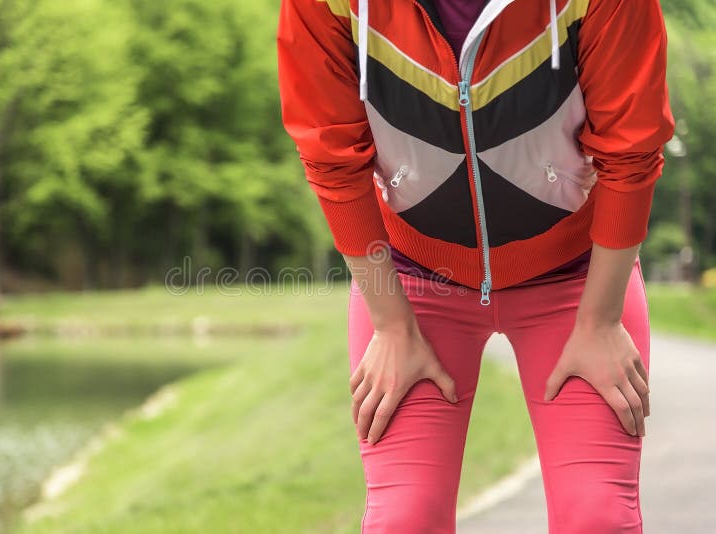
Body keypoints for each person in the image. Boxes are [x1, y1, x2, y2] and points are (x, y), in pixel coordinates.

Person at [277, 0, 675, 532]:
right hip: (410, 280)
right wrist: (392, 326)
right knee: (404, 520)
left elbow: (631, 150)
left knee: (597, 517)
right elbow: (331, 160)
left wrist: (600, 321)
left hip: (580, 278)